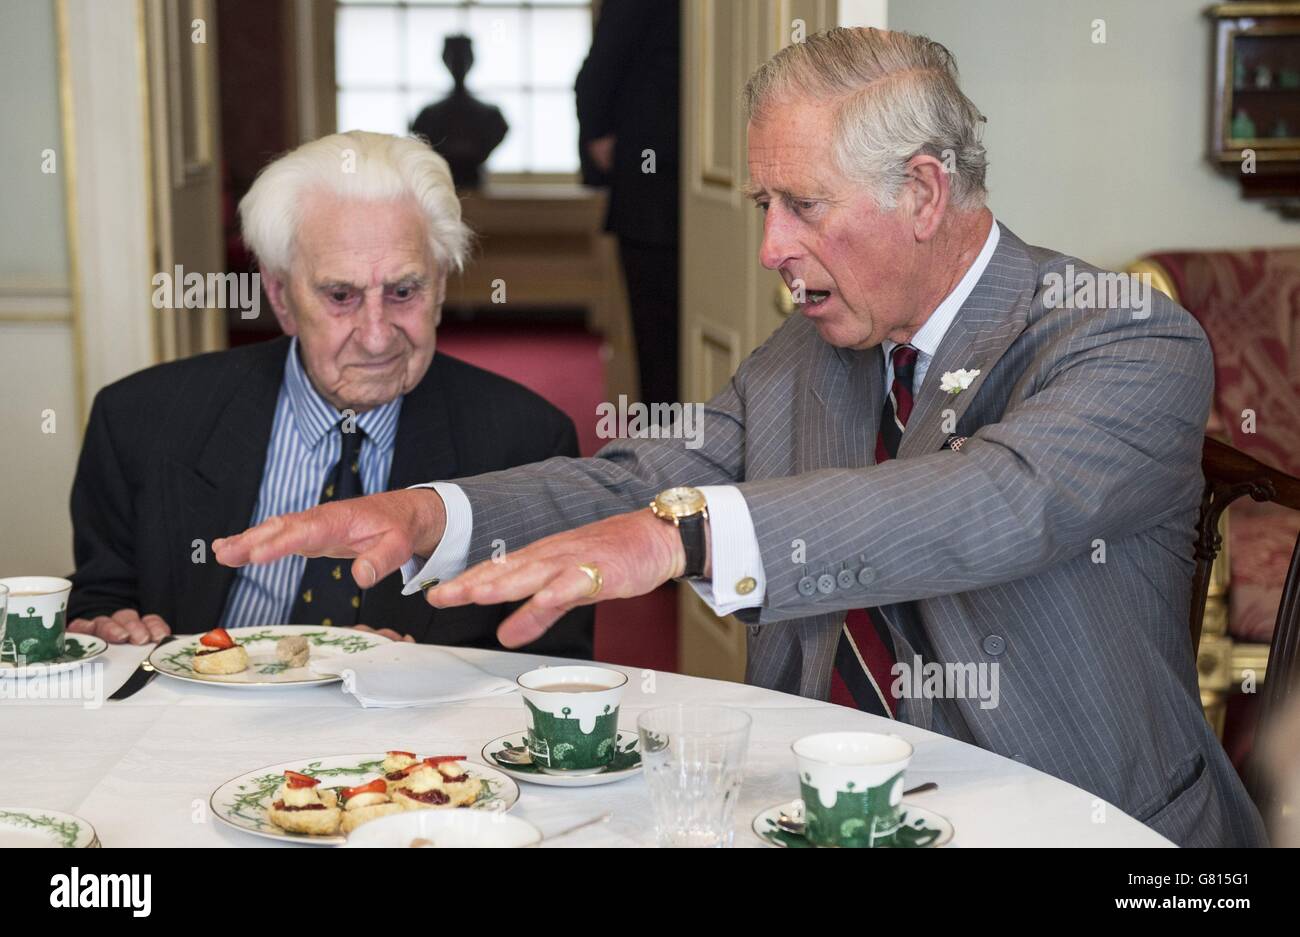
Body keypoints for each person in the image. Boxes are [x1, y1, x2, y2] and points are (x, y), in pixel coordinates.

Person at [214, 30, 1265, 847]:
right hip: (809, 809)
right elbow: (651, 475)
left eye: (803, 205)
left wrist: (686, 537)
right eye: (765, 202)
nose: (770, 247)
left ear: (924, 194)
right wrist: (435, 511)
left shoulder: (1121, 334)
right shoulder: (807, 353)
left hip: (1074, 819)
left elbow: (994, 500)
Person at [67, 131, 592, 658]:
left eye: (404, 292)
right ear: (281, 297)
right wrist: (115, 628)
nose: (377, 335)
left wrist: (434, 675)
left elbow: (552, 667)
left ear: (439, 290)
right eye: (341, 296)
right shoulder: (140, 419)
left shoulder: (529, 443)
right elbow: (104, 597)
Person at [576, 0, 680, 414]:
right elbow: (598, 73)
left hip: (699, 195)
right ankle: (663, 454)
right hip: (651, 197)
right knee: (658, 348)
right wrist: (603, 140)